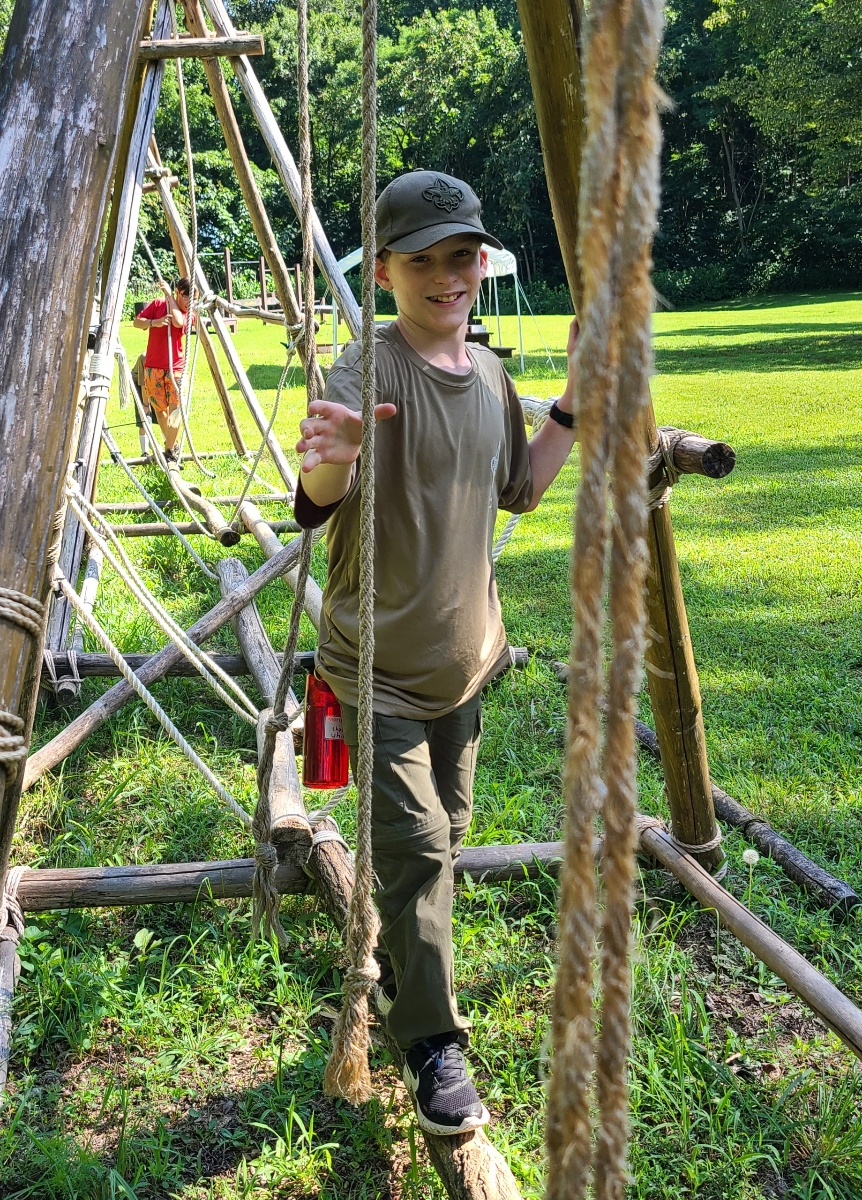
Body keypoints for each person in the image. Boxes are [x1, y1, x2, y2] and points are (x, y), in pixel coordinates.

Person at [294, 170, 578, 1136]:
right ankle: (431, 1044)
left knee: (446, 834)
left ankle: (404, 973)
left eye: (462, 255)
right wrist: (335, 456)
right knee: (418, 850)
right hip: (376, 670)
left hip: (467, 661)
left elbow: (520, 488)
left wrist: (571, 408)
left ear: (481, 262)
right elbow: (318, 498)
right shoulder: (366, 372)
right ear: (383, 272)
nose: (447, 275)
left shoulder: (490, 374)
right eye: (422, 260)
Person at [133, 277, 196, 462]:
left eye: (192, 298)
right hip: (153, 367)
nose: (188, 302)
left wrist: (170, 296)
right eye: (185, 296)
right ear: (178, 292)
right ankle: (171, 445)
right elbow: (137, 322)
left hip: (176, 368)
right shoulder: (158, 304)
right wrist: (155, 322)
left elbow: (177, 322)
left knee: (176, 411)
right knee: (160, 411)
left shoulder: (191, 313)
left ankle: (169, 451)